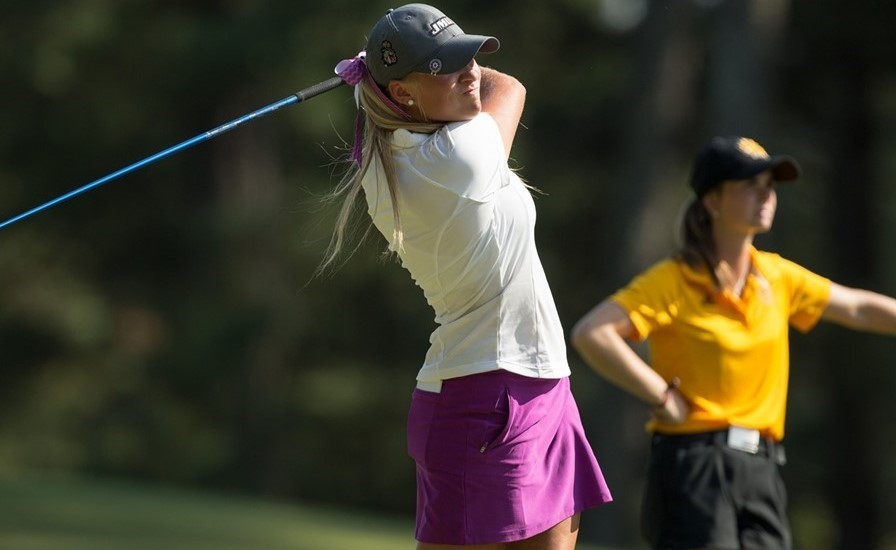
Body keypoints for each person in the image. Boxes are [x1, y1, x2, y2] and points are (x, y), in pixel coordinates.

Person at [321, 4, 612, 549]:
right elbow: (511, 86)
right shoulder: (459, 154)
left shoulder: (389, 159)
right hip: (483, 399)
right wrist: (373, 72)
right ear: (403, 93)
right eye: (444, 67)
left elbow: (466, 83)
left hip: (541, 382)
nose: (470, 72)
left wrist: (379, 75)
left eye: (468, 56)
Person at [570, 136, 896, 550]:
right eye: (749, 185)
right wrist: (662, 395)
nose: (765, 195)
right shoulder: (674, 280)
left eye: (769, 186)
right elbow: (593, 333)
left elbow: (858, 308)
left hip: (761, 468)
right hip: (694, 465)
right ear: (712, 201)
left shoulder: (777, 277)